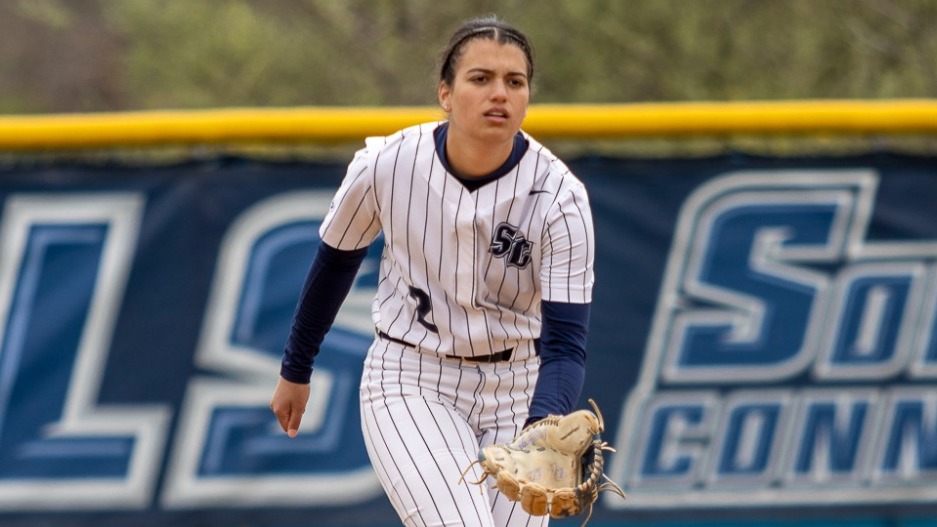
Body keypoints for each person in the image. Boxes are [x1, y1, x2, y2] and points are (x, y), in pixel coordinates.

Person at [269, 15, 595, 527]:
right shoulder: (388, 163)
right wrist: (296, 367)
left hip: (517, 386)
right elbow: (335, 263)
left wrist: (540, 434)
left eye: (515, 82)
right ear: (445, 93)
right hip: (413, 377)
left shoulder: (559, 198)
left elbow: (565, 343)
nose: (500, 94)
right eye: (480, 78)